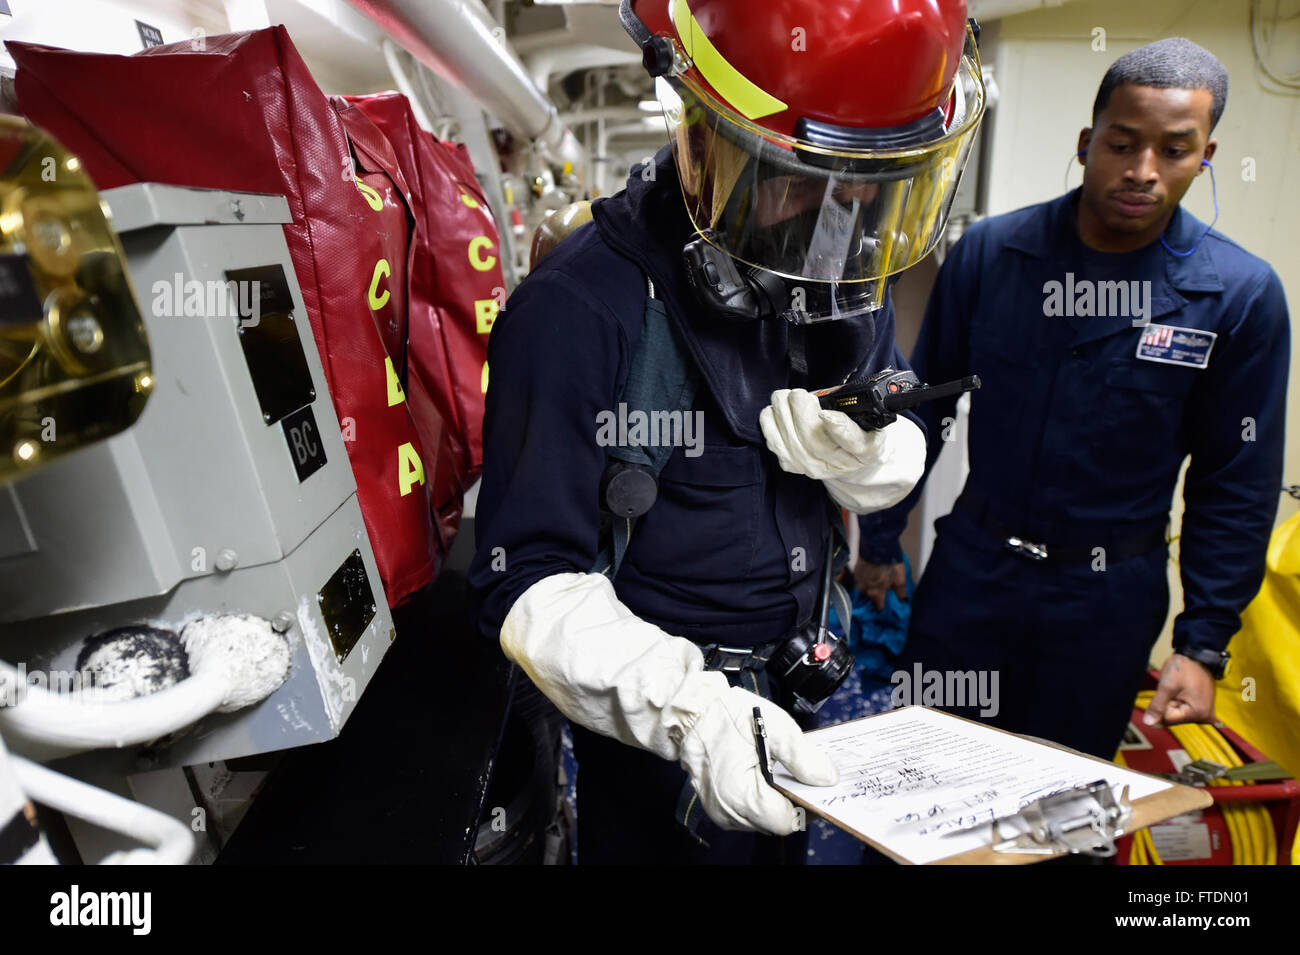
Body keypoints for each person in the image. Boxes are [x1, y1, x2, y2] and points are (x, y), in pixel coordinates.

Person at [469, 0, 986, 863]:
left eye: (870, 187)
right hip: (658, 739)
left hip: (802, 693)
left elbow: (894, 409)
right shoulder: (575, 310)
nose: (841, 214)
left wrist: (875, 457)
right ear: (701, 134)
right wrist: (690, 712)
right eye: (801, 178)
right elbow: (524, 579)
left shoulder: (847, 262)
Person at [857, 38, 1290, 759]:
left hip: (1106, 601)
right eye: (1122, 144)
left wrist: (1203, 644)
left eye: (1175, 151)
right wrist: (877, 540)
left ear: (1206, 154)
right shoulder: (994, 255)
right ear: (1089, 142)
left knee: (1059, 801)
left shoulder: (1238, 296)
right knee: (921, 768)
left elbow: (1234, 482)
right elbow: (925, 404)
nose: (1144, 171)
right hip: (974, 572)